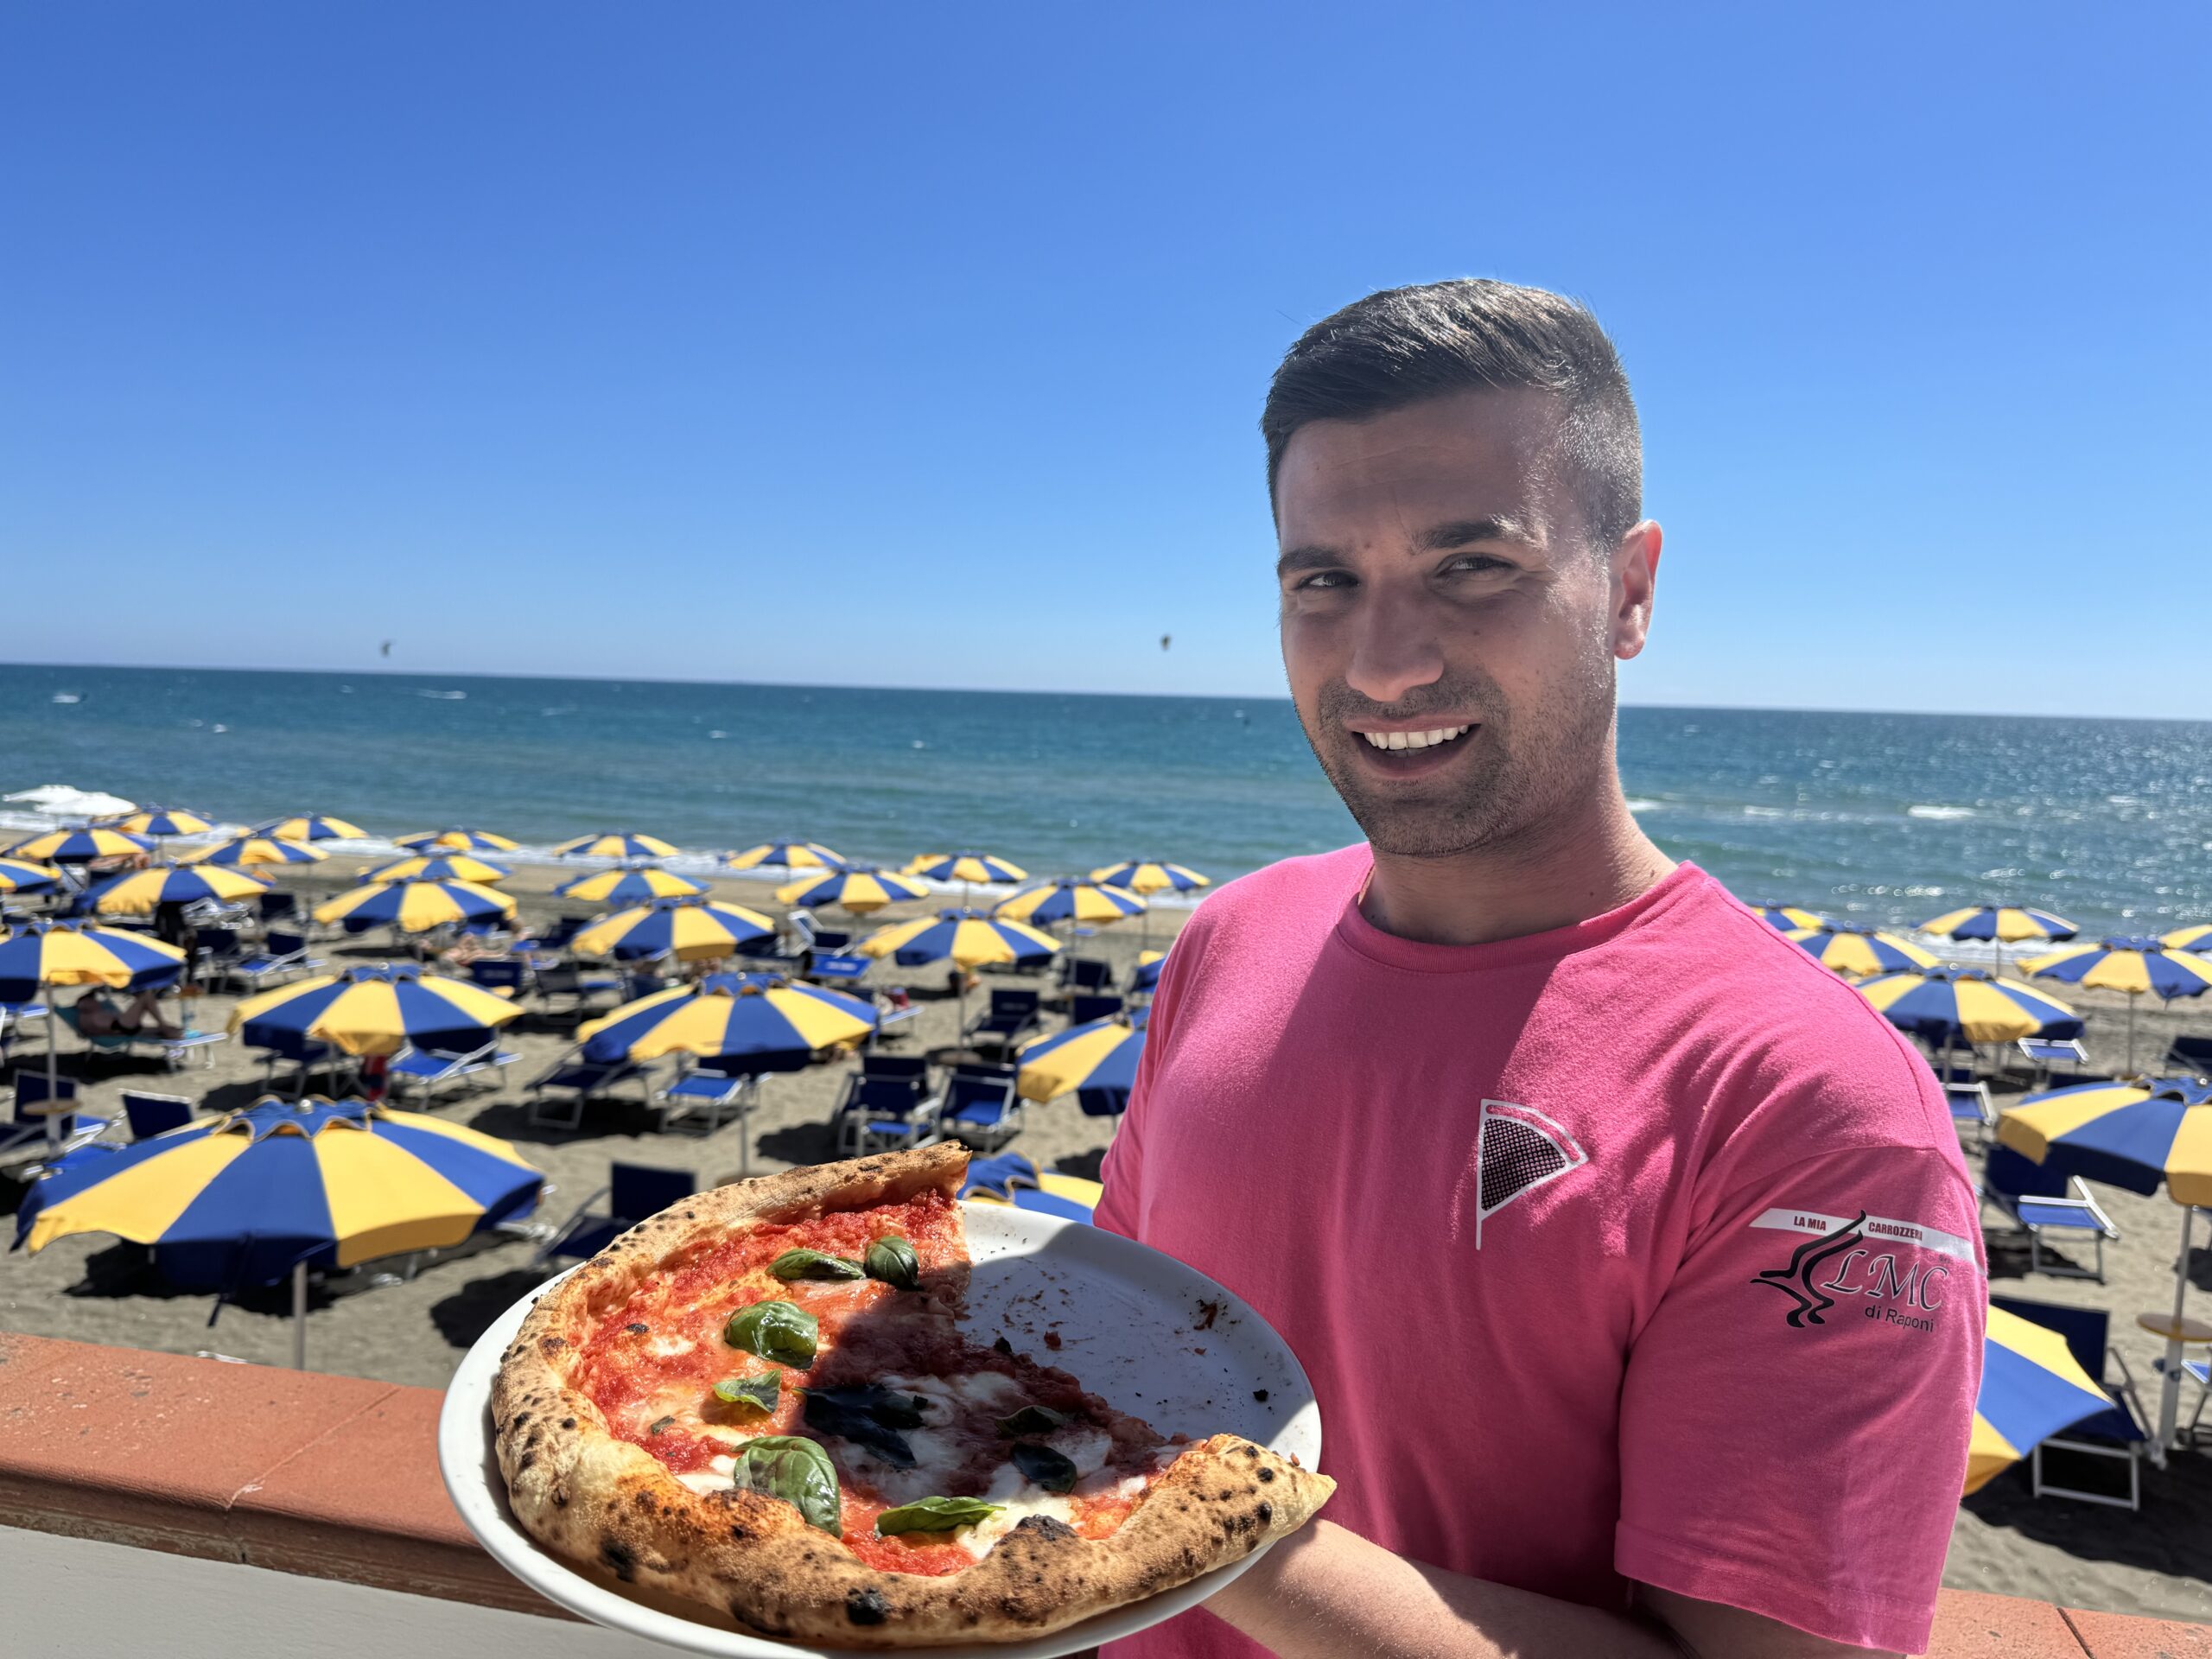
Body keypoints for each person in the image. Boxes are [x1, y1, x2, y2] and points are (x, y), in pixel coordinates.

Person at [1096, 280, 1982, 1659]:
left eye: (1473, 567)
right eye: (1325, 581)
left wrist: (1192, 1525)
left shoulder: (1812, 1111)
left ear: (1629, 593)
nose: (1385, 665)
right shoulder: (1227, 941)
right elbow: (1116, 1349)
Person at [73, 986, 183, 1041]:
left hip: (124, 1029)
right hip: (122, 1026)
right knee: (146, 995)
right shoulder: (89, 1015)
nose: (96, 1002)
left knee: (170, 1030)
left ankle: (167, 1029)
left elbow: (88, 1032)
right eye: (92, 1000)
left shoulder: (87, 1017)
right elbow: (108, 1026)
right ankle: (163, 1025)